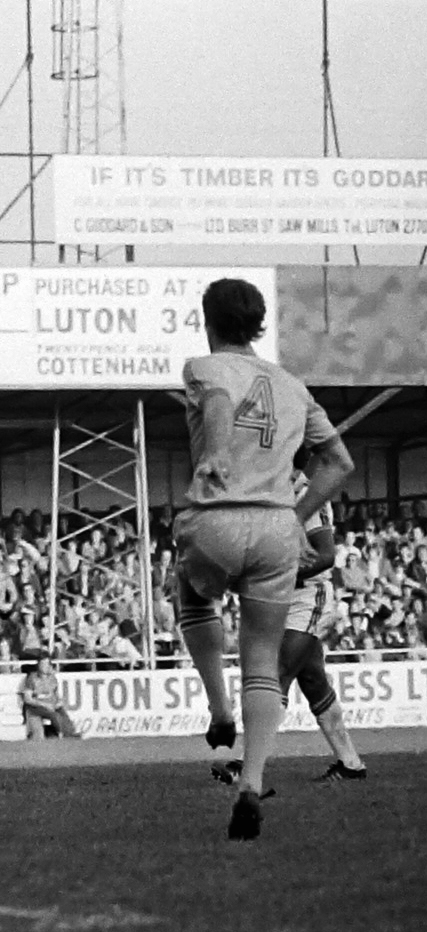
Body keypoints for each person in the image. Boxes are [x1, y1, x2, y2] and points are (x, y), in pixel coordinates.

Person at [174, 278, 353, 841]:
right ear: (258, 325)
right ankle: (250, 783)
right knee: (261, 662)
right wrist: (297, 518)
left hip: (219, 520)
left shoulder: (205, 367)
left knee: (192, 592)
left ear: (207, 320)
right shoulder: (293, 385)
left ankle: (219, 709)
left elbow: (220, 402)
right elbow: (339, 462)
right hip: (277, 530)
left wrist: (217, 451)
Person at [213, 448, 366, 788]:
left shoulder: (306, 498)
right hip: (281, 599)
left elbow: (326, 555)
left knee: (275, 674)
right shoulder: (273, 499)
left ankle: (246, 765)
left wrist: (272, 574)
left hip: (308, 597)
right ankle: (351, 764)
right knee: (313, 681)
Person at [19, 657, 82, 740]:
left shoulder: (52, 678)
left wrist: (59, 702)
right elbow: (28, 699)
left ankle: (70, 733)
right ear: (38, 666)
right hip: (35, 706)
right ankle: (63, 733)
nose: (46, 666)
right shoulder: (32, 678)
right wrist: (44, 704)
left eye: (47, 664)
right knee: (53, 715)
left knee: (62, 712)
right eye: (43, 664)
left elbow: (54, 694)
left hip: (50, 704)